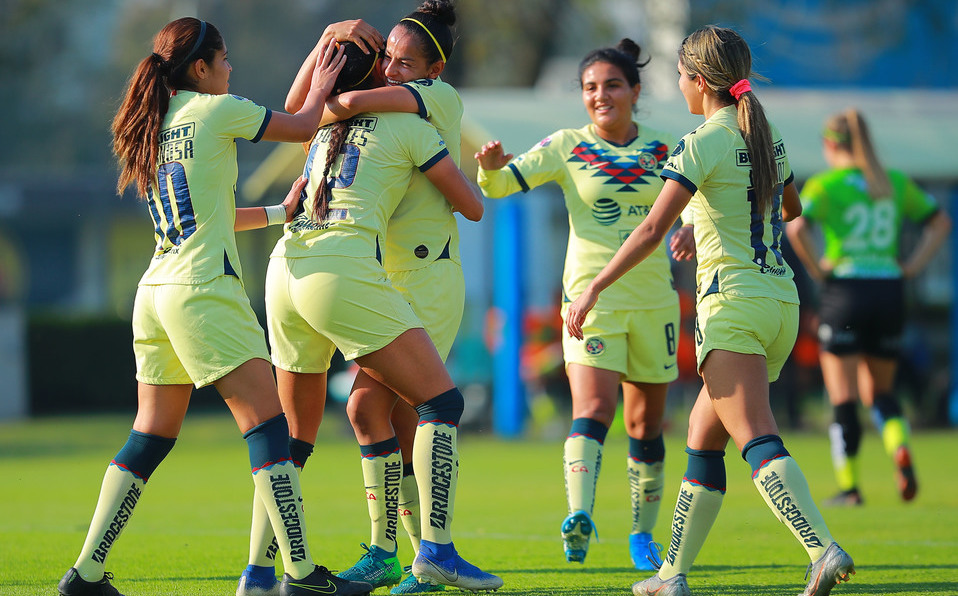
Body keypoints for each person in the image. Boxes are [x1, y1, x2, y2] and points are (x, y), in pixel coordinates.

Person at [58, 17, 374, 596]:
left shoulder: (157, 123)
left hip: (155, 293)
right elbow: (305, 125)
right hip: (203, 291)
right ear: (200, 68)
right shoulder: (215, 110)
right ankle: (300, 575)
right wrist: (324, 67)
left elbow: (213, 217)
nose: (231, 70)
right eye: (224, 60)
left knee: (150, 435)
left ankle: (86, 573)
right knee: (270, 429)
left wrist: (282, 213)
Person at [565, 25, 855, 596]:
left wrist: (595, 286)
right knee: (702, 438)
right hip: (780, 303)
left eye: (680, 76)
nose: (678, 86)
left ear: (698, 81)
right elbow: (789, 207)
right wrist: (711, 217)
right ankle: (671, 576)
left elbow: (651, 228)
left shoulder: (701, 141)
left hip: (733, 307)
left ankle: (823, 550)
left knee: (757, 438)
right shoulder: (766, 137)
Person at [246, 28, 502, 595]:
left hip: (325, 270)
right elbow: (472, 205)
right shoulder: (401, 125)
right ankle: (418, 553)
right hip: (358, 273)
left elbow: (297, 109)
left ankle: (271, 572)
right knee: (405, 407)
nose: (393, 68)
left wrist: (325, 66)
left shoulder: (346, 121)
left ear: (433, 68)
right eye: (386, 58)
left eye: (404, 61)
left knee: (322, 425)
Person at [476, 39, 679, 570]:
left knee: (645, 427)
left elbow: (705, 206)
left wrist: (696, 238)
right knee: (592, 410)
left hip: (655, 304)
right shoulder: (567, 145)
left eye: (612, 85)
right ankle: (579, 516)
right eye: (591, 88)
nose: (601, 95)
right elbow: (499, 186)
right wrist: (489, 168)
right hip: (589, 303)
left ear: (635, 91)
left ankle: (642, 536)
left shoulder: (668, 148)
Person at [786, 109, 950, 506]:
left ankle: (850, 487)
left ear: (829, 145)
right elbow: (940, 222)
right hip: (890, 291)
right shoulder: (892, 182)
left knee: (843, 397)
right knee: (881, 391)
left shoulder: (827, 185)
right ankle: (899, 451)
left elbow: (795, 226)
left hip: (846, 291)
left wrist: (817, 269)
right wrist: (911, 266)